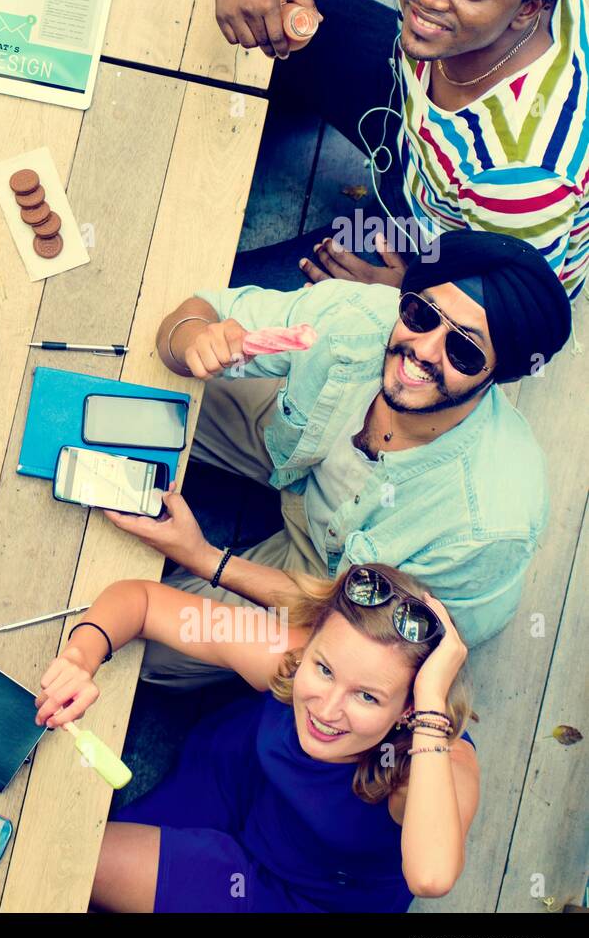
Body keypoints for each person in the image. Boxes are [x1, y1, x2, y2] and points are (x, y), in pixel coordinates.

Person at [106, 229, 570, 685]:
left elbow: (363, 640)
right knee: (137, 400)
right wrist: (193, 342)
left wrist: (205, 559)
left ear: (497, 375)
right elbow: (200, 313)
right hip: (295, 457)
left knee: (145, 645)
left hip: (350, 598)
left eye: (464, 351)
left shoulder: (483, 528)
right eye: (421, 314)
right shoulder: (357, 317)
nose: (423, 351)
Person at [215, 0, 586, 299]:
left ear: (528, 8)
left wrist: (412, 292)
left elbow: (517, 309)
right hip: (408, 119)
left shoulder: (522, 174)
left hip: (433, 251)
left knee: (208, 297)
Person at [32, 564, 478, 913]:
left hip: (295, 900)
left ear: (410, 709)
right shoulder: (292, 656)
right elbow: (144, 602)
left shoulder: (436, 760)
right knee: (61, 859)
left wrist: (432, 707)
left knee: (66, 860)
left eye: (366, 696)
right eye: (323, 669)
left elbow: (432, 877)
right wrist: (79, 658)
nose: (326, 709)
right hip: (239, 789)